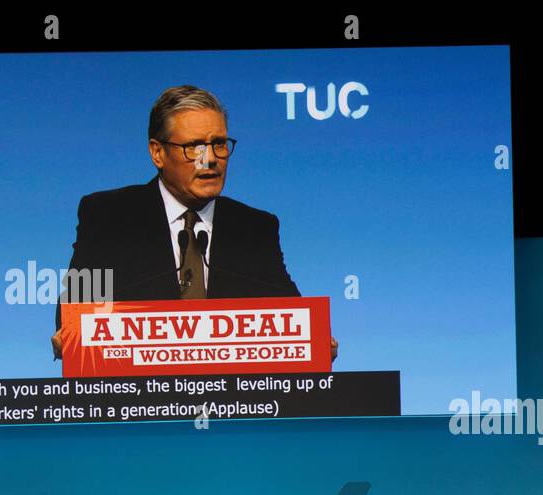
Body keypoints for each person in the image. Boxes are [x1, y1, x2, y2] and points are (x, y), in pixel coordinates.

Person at [51, 85, 337, 362]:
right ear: (157, 153)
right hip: (138, 401)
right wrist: (69, 336)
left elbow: (293, 319)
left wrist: (317, 340)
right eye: (194, 146)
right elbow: (76, 308)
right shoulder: (109, 216)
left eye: (219, 144)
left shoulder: (255, 228)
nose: (210, 159)